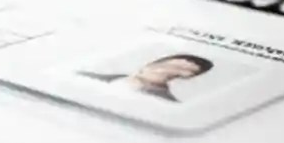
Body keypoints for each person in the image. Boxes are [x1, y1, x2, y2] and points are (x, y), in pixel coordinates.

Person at [80, 53, 214, 103]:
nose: (166, 71)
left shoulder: (167, 106)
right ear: (150, 64)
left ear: (187, 76)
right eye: (166, 66)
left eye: (181, 71)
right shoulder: (84, 77)